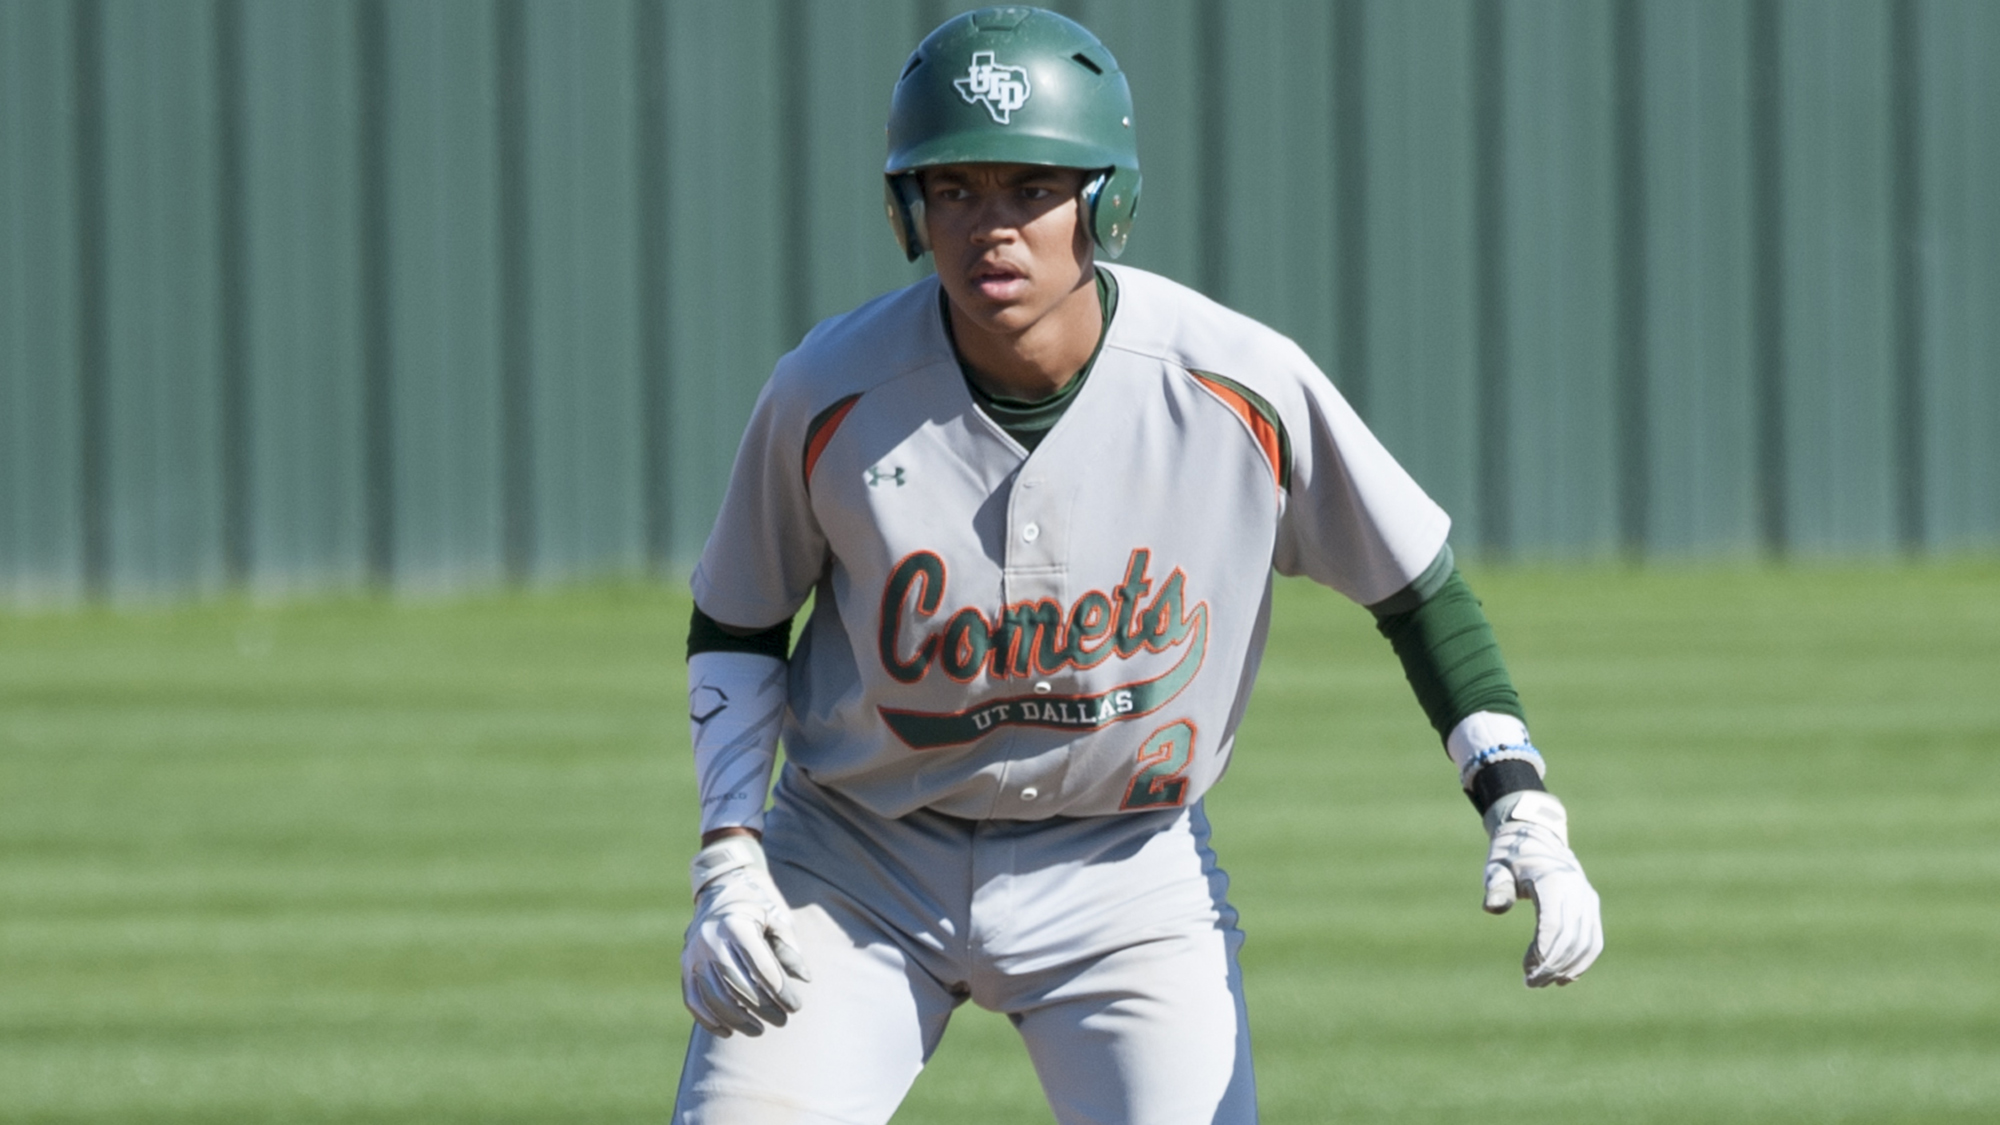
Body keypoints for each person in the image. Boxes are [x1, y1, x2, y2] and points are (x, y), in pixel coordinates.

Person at [674, 8, 1602, 1123]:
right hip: (855, 861)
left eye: (1032, 188)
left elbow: (1417, 591)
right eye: (955, 189)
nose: (990, 229)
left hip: (1125, 870)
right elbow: (737, 620)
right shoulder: (827, 390)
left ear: (1105, 201)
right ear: (906, 210)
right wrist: (729, 854)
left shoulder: (1235, 384)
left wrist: (1517, 800)